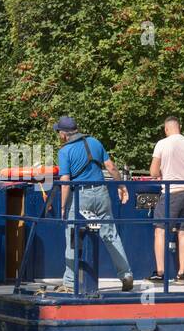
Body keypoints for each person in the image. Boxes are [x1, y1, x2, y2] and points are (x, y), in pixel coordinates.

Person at [53, 116, 133, 293]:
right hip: (102, 192)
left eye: (58, 131)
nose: (58, 134)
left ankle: (68, 282)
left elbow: (65, 180)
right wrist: (121, 185)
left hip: (81, 195)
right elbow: (111, 167)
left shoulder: (64, 151)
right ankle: (126, 275)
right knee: (111, 235)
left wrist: (63, 206)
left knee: (73, 237)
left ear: (64, 134)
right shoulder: (95, 142)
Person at [149, 116, 184, 282]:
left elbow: (153, 173)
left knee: (160, 230)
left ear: (166, 129)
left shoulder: (162, 144)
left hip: (173, 191)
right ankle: (182, 273)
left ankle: (160, 272)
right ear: (180, 126)